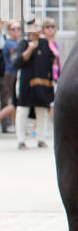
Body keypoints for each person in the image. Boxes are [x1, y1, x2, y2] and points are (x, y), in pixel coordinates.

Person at [13, 19, 54, 148]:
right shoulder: (24, 43)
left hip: (41, 82)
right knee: (22, 110)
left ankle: (40, 138)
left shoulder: (45, 43)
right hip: (26, 82)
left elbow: (50, 62)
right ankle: (21, 140)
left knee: (41, 110)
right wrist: (31, 48)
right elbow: (18, 61)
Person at [0, 19, 21, 131]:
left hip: (12, 74)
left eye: (18, 28)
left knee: (13, 103)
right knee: (12, 103)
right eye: (13, 29)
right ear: (8, 30)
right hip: (10, 74)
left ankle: (15, 126)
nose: (16, 31)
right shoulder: (10, 43)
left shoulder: (11, 42)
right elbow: (18, 57)